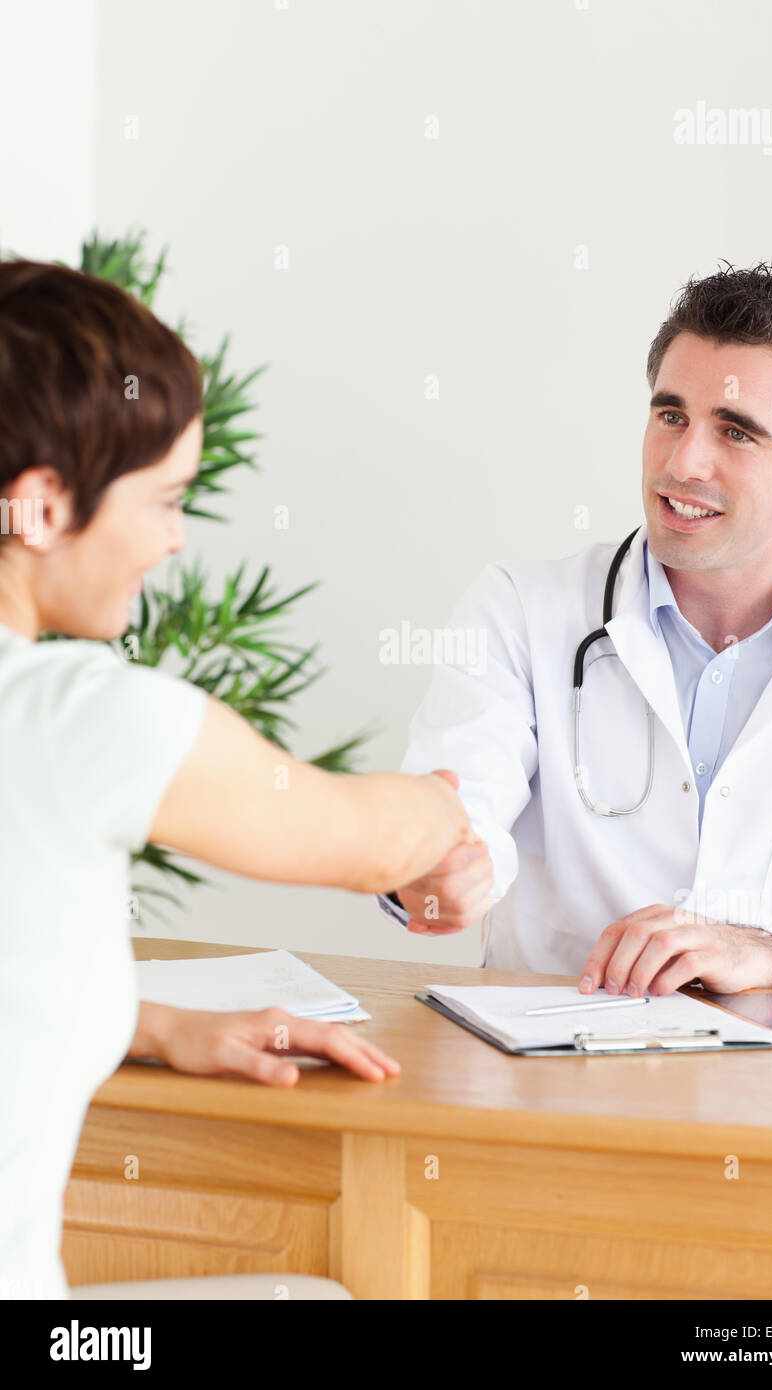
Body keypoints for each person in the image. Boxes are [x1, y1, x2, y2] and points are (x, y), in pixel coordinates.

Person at [0, 259, 473, 1299]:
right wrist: (449, 800)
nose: (173, 540)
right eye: (164, 499)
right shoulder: (72, 713)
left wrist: (155, 1021)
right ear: (37, 509)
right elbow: (366, 840)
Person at [380, 262, 772, 1000]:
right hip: (553, 1082)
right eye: (671, 415)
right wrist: (434, 866)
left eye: (735, 432)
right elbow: (456, 816)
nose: (681, 462)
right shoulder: (520, 610)